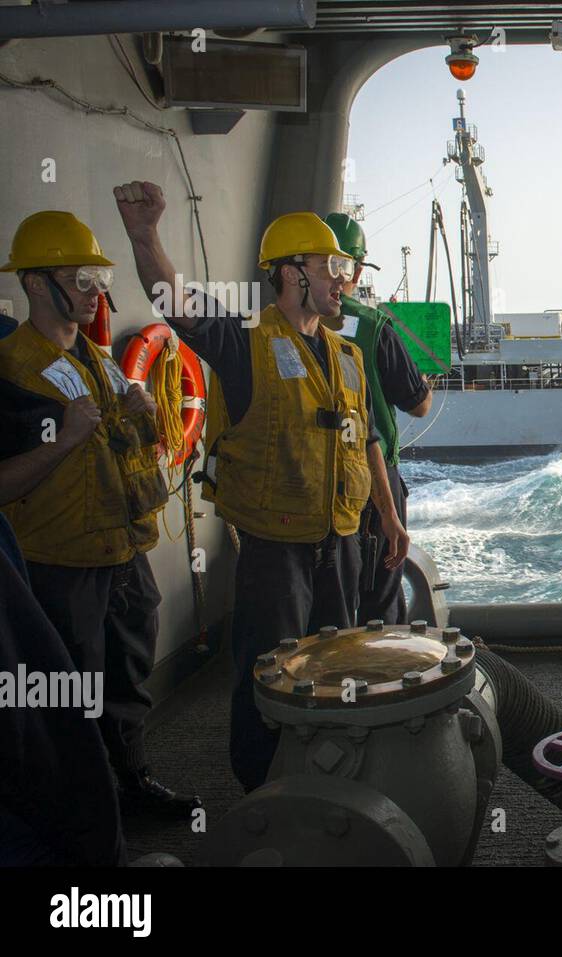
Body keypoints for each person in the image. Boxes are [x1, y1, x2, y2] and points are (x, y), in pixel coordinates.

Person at [113, 182, 409, 791]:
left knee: (335, 668)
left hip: (343, 541)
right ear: (292, 274)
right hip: (277, 549)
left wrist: (390, 517)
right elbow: (179, 303)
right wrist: (145, 236)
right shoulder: (247, 344)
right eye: (331, 267)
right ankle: (260, 789)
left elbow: (368, 440)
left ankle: (331, 776)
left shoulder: (348, 356)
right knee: (269, 670)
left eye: (345, 268)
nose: (343, 280)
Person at [0, 210, 200, 818]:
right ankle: (76, 812)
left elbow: (128, 445)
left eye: (97, 278)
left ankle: (131, 785)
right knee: (68, 691)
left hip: (122, 554)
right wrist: (60, 439)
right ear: (36, 284)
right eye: (80, 278)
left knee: (126, 677)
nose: (95, 292)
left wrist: (142, 411)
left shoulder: (98, 358)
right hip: (60, 565)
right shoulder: (12, 371)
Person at [323, 212, 432, 625]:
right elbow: (418, 405)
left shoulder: (274, 326)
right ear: (355, 267)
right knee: (381, 592)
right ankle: (383, 681)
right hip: (371, 477)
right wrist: (425, 377)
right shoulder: (373, 327)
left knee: (328, 598)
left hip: (308, 478)